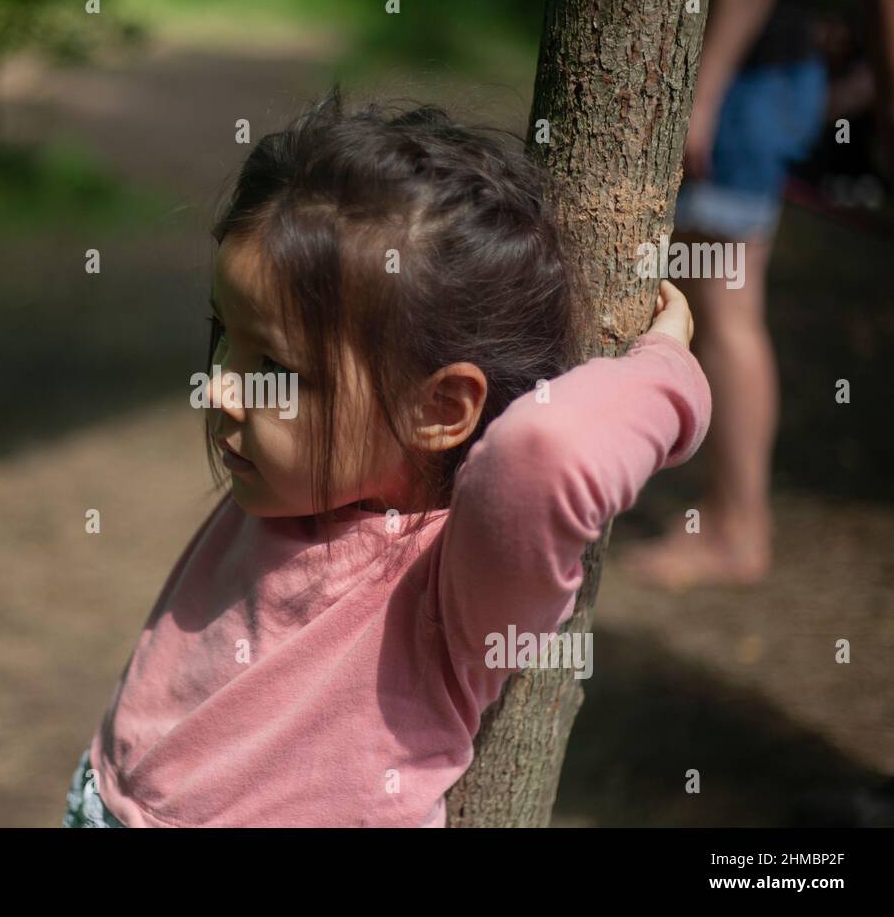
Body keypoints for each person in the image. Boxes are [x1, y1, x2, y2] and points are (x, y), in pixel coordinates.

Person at [63, 86, 711, 827]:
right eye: (222, 334)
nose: (216, 390)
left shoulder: (456, 585)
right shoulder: (287, 478)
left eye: (273, 369)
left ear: (438, 410)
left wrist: (665, 371)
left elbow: (546, 448)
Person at [620, 0, 894, 590]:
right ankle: (727, 519)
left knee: (727, 310)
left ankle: (736, 531)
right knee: (716, 302)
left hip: (746, 82)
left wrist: (705, 91)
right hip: (764, 77)